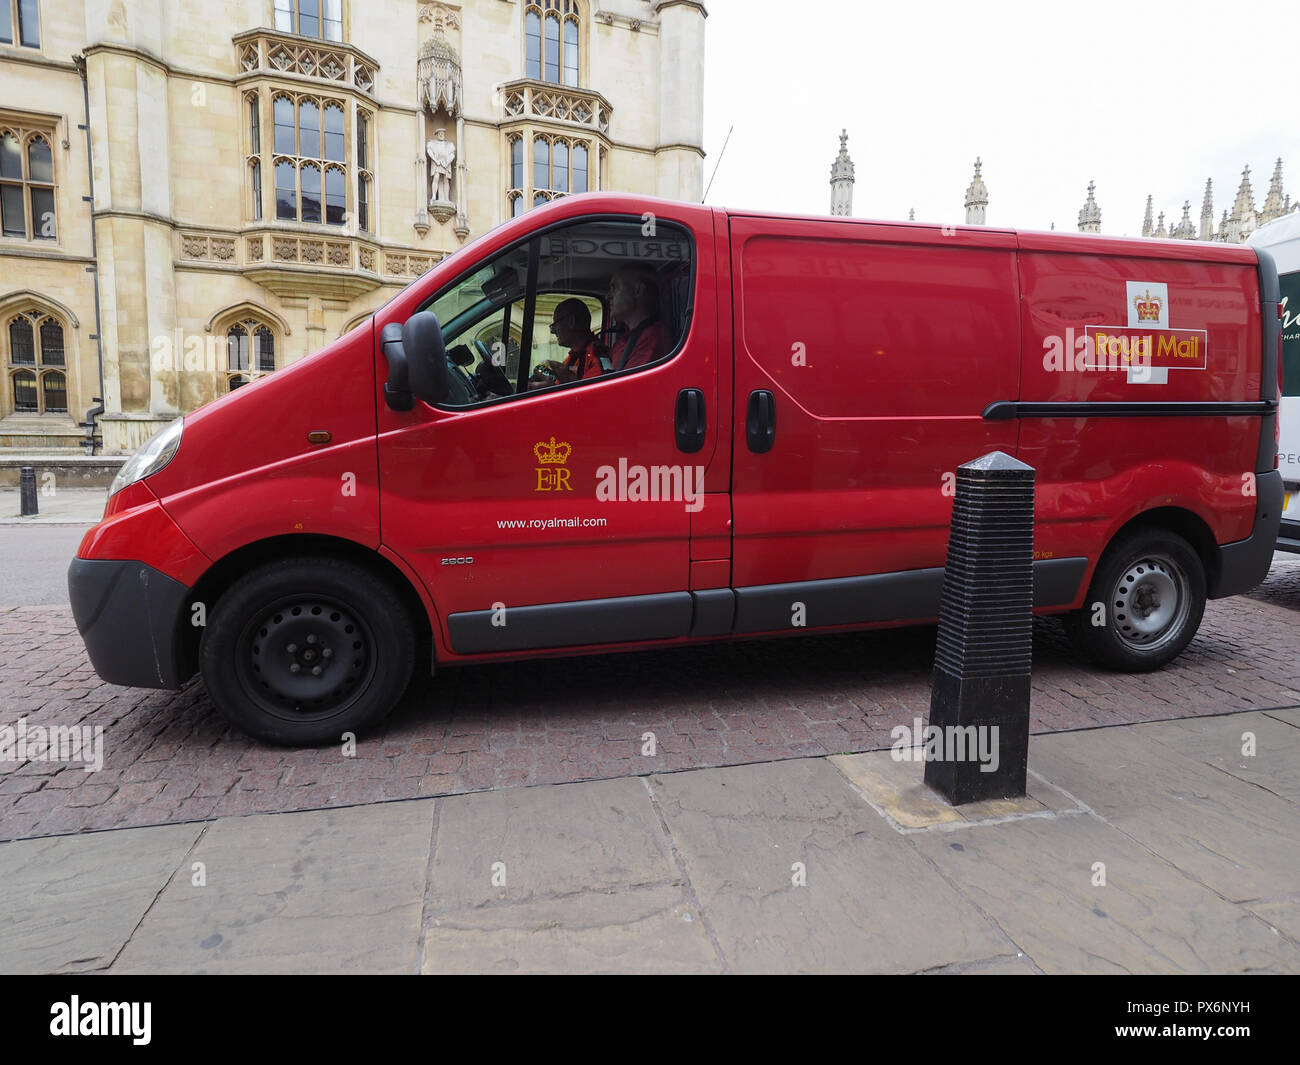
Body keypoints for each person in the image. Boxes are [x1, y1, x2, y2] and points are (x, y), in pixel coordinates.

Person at [606, 264, 667, 371]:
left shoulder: (652, 338)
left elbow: (627, 384)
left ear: (638, 290)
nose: (608, 296)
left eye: (614, 288)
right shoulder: (626, 338)